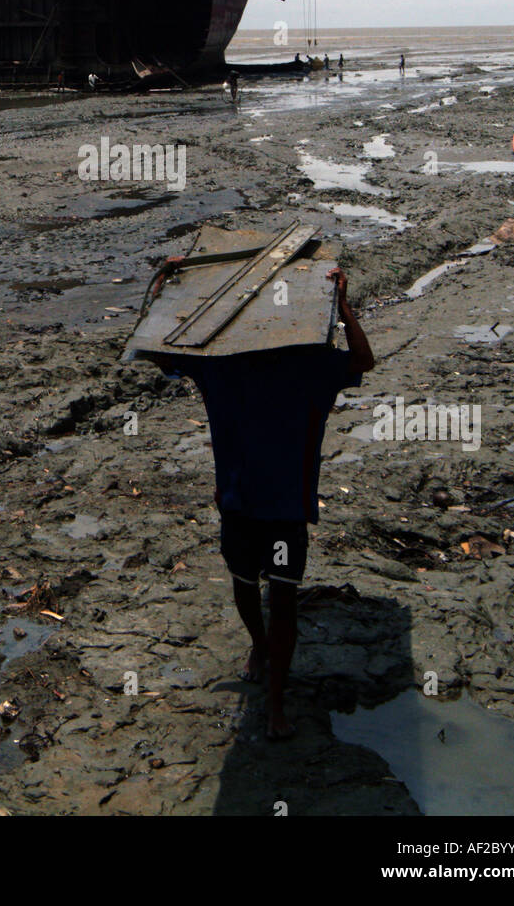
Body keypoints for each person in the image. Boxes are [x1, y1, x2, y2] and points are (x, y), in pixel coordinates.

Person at [166, 267, 374, 739]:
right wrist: (172, 285)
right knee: (246, 589)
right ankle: (258, 646)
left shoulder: (303, 367)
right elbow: (160, 351)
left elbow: (363, 360)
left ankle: (276, 702)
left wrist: (343, 308)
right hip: (239, 503)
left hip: (283, 509)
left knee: (282, 601)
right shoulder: (224, 365)